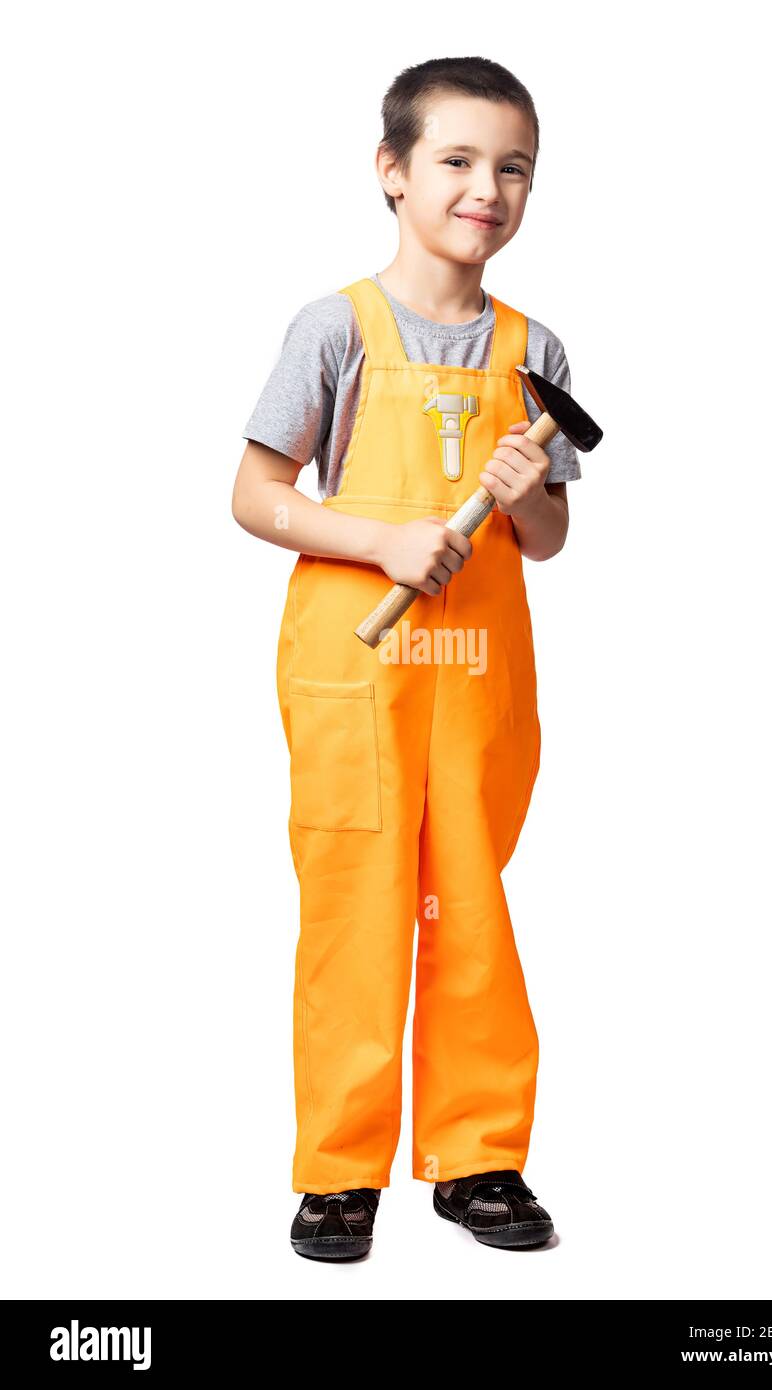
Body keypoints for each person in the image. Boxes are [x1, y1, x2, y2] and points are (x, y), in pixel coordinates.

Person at [232, 55, 582, 1260]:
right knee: (354, 904)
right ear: (392, 173)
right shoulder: (334, 327)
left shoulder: (536, 352)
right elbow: (254, 492)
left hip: (478, 670)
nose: (486, 187)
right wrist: (378, 537)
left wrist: (529, 492)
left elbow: (544, 539)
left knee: (472, 901)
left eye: (513, 168)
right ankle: (338, 1170)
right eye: (457, 159)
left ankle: (477, 1153)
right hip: (354, 666)